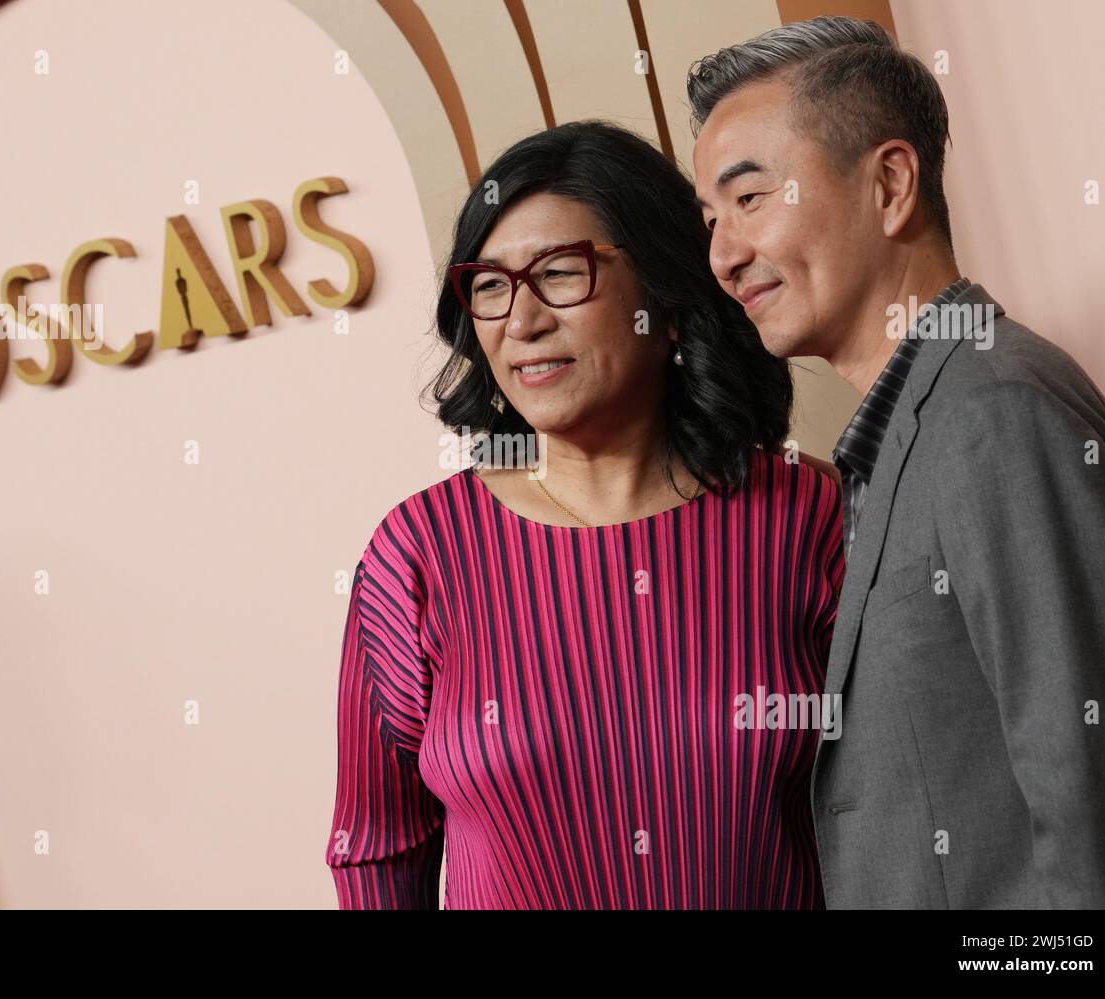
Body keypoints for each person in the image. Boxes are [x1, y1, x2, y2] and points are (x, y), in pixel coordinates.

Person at [324, 120, 845, 909]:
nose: (520, 321)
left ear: (669, 298)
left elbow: (908, 802)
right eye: (490, 285)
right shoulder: (419, 556)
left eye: (561, 273)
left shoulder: (810, 517)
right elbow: (375, 851)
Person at [688, 15, 1105, 908]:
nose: (723, 255)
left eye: (748, 200)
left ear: (891, 184)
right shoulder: (908, 428)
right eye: (710, 219)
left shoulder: (996, 410)